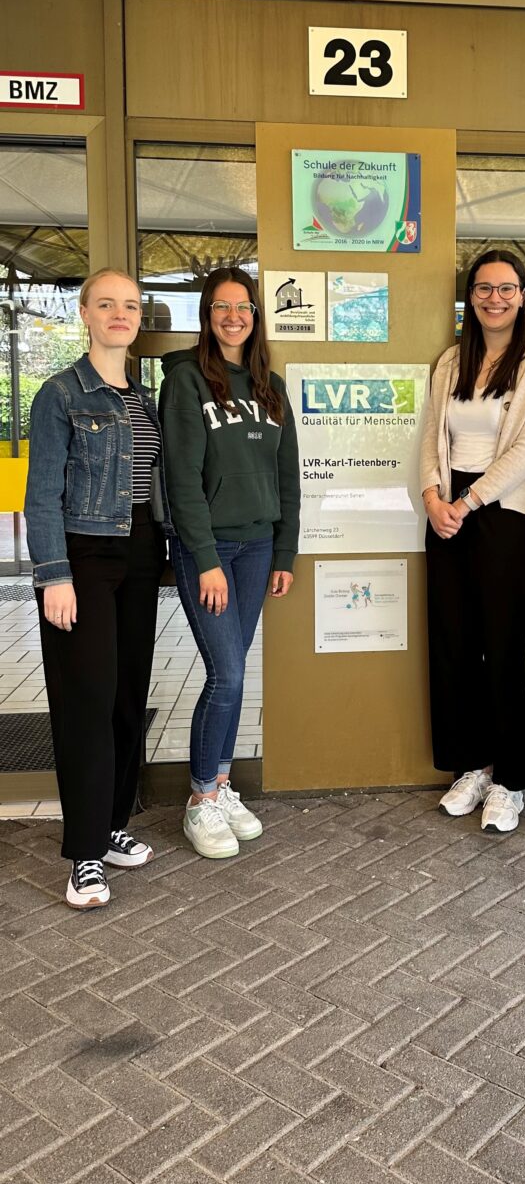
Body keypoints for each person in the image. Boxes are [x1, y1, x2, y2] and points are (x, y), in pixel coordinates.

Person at [24, 269, 170, 909]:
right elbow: (41, 495)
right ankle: (83, 853)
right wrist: (54, 574)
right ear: (84, 314)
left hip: (140, 554)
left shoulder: (143, 397)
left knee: (126, 697)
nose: (120, 314)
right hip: (84, 555)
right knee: (87, 701)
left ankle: (111, 827)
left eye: (130, 306)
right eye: (106, 304)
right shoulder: (60, 393)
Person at [159, 267, 299, 859]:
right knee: (228, 675)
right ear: (206, 314)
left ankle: (219, 783)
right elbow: (183, 479)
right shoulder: (188, 381)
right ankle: (199, 799)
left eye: (243, 306)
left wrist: (285, 551)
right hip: (209, 552)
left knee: (234, 670)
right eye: (221, 306)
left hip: (259, 547)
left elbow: (287, 476)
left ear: (256, 314)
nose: (233, 316)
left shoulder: (271, 386)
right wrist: (206, 558)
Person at [420, 249, 525, 833]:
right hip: (445, 513)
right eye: (483, 288)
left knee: (504, 648)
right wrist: (433, 498)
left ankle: (509, 779)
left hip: (499, 514)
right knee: (454, 644)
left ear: (522, 297)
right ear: (470, 296)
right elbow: (430, 435)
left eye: (506, 289)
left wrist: (467, 501)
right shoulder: (452, 361)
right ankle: (472, 765)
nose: (494, 298)